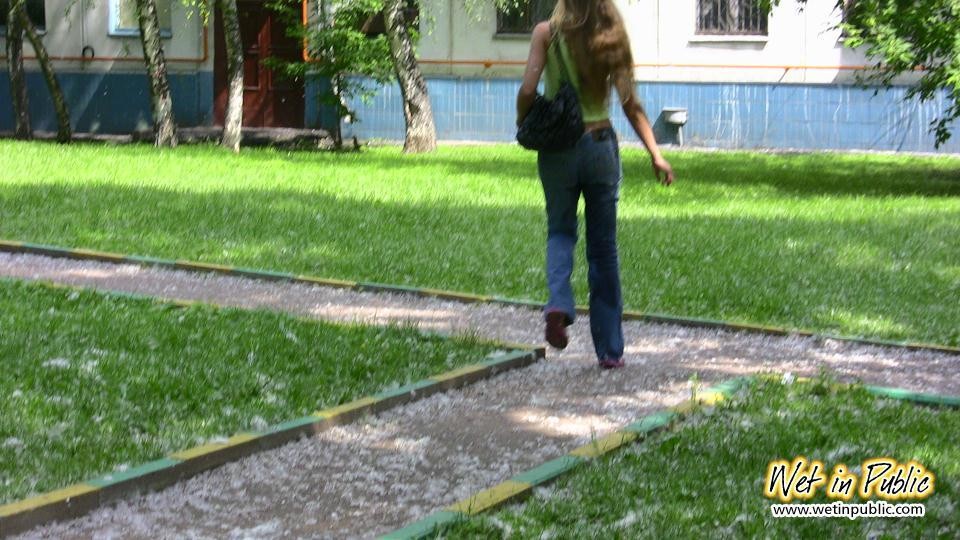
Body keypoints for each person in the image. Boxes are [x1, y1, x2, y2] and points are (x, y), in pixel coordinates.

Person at [516, 0, 674, 369]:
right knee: (603, 249)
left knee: (560, 231)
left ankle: (558, 303)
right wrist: (656, 154)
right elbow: (630, 103)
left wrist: (524, 121)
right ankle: (610, 351)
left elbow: (527, 90)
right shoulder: (610, 38)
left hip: (558, 150)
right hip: (601, 147)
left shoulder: (546, 34)